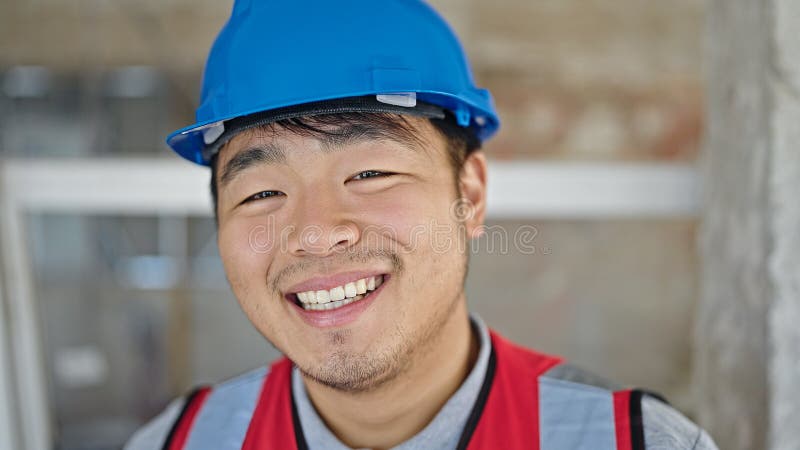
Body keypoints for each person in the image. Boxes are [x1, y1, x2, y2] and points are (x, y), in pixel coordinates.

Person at [126, 1, 718, 449]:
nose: (314, 232)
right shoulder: (178, 442)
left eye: (370, 173)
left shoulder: (629, 441)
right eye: (262, 191)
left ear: (471, 193)